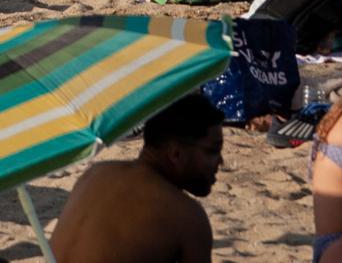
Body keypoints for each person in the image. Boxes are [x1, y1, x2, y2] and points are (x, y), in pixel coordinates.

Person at [50, 94, 223, 263]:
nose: (221, 161)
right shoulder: (186, 216)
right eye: (213, 150)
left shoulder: (96, 173)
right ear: (176, 154)